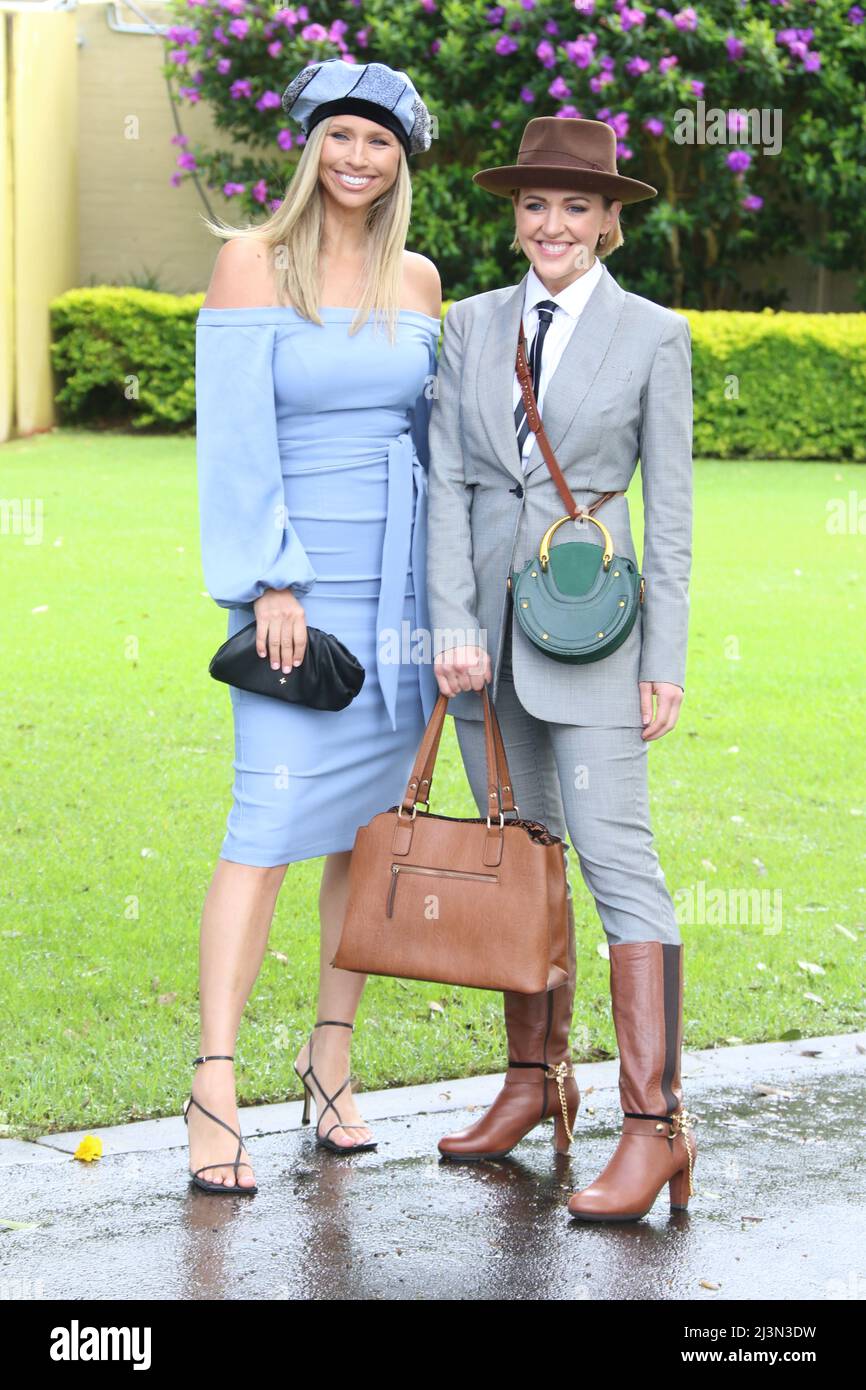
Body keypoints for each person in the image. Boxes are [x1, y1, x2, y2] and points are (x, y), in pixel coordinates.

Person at [425, 118, 697, 1221]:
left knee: (612, 862)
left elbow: (669, 514)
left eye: (576, 208)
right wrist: (450, 619)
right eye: (535, 206)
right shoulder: (467, 324)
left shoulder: (652, 336)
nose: (552, 226)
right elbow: (446, 481)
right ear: (515, 216)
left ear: (609, 222)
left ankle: (654, 1127)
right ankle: (533, 1085)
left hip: (589, 634)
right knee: (519, 868)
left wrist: (663, 656)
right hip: (477, 645)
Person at [185, 58, 441, 1192]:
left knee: (366, 837)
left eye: (377, 143)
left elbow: (441, 450)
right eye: (340, 136)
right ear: (310, 144)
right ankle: (213, 1079)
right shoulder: (252, 263)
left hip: (400, 599)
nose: (355, 159)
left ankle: (330, 1057)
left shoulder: (420, 282)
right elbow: (234, 441)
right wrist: (269, 584)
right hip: (296, 590)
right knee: (264, 829)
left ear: (401, 161)